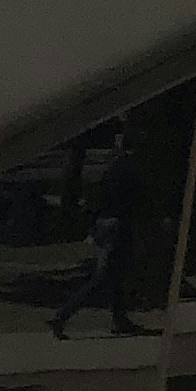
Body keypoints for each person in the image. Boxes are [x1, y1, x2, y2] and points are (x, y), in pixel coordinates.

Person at [45, 142, 152, 339]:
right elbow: (136, 202)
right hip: (118, 225)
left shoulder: (111, 172)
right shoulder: (131, 171)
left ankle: (120, 319)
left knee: (116, 275)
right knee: (103, 277)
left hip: (104, 223)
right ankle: (62, 316)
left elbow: (98, 198)